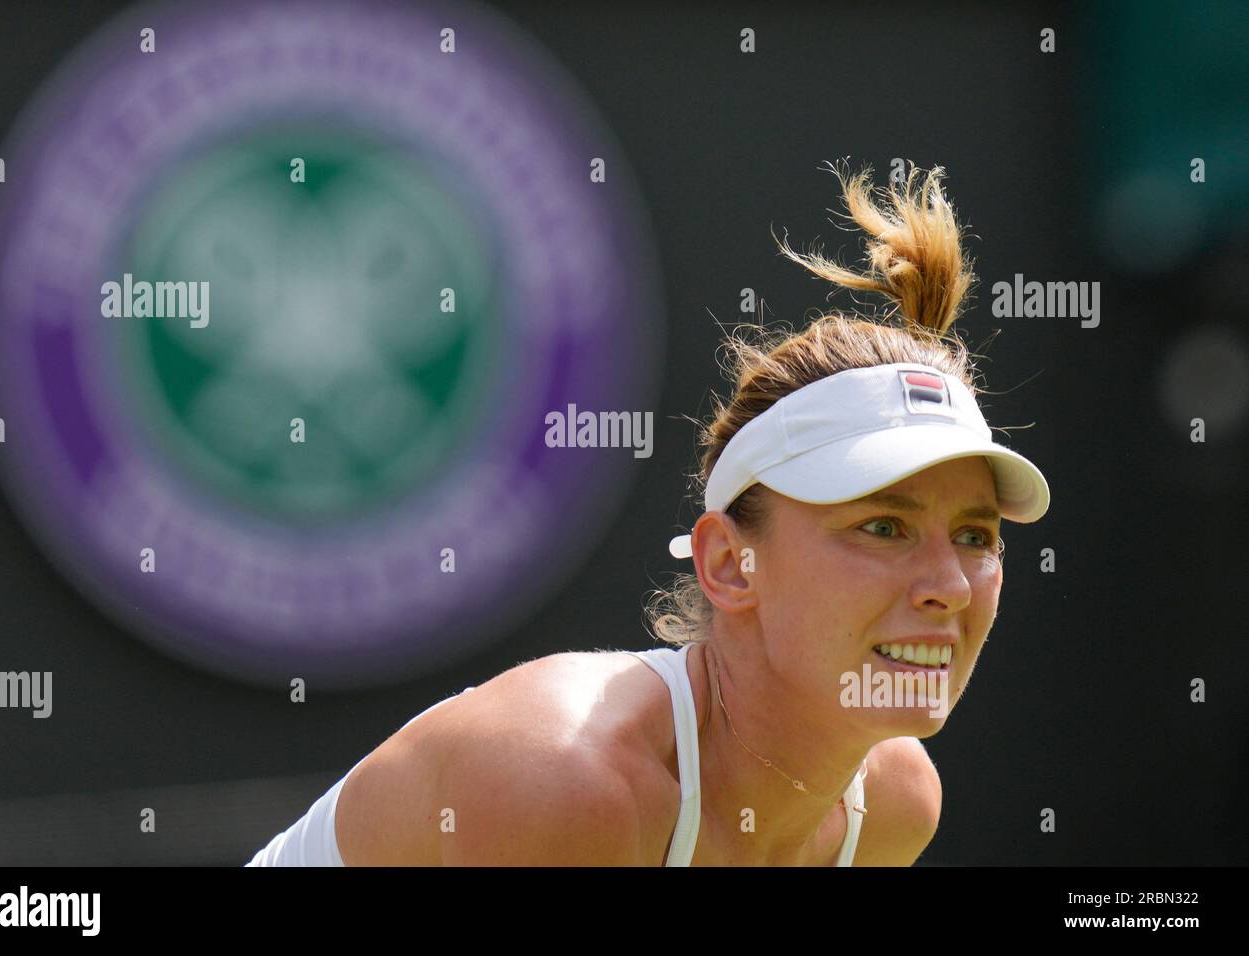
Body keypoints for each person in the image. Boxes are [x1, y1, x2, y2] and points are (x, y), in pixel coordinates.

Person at [246, 160, 1050, 866]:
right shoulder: (569, 783)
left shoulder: (896, 805)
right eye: (883, 526)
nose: (948, 584)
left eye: (976, 536)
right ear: (731, 565)